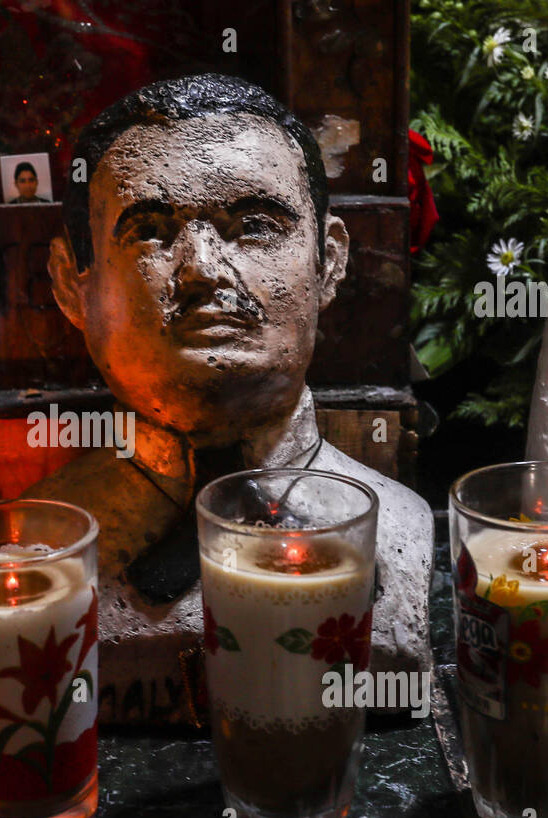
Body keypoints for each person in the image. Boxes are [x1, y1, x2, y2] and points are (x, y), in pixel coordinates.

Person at [28, 73, 433, 722]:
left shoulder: (401, 531)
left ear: (328, 262)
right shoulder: (26, 561)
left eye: (254, 225)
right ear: (72, 286)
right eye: (152, 231)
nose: (204, 271)